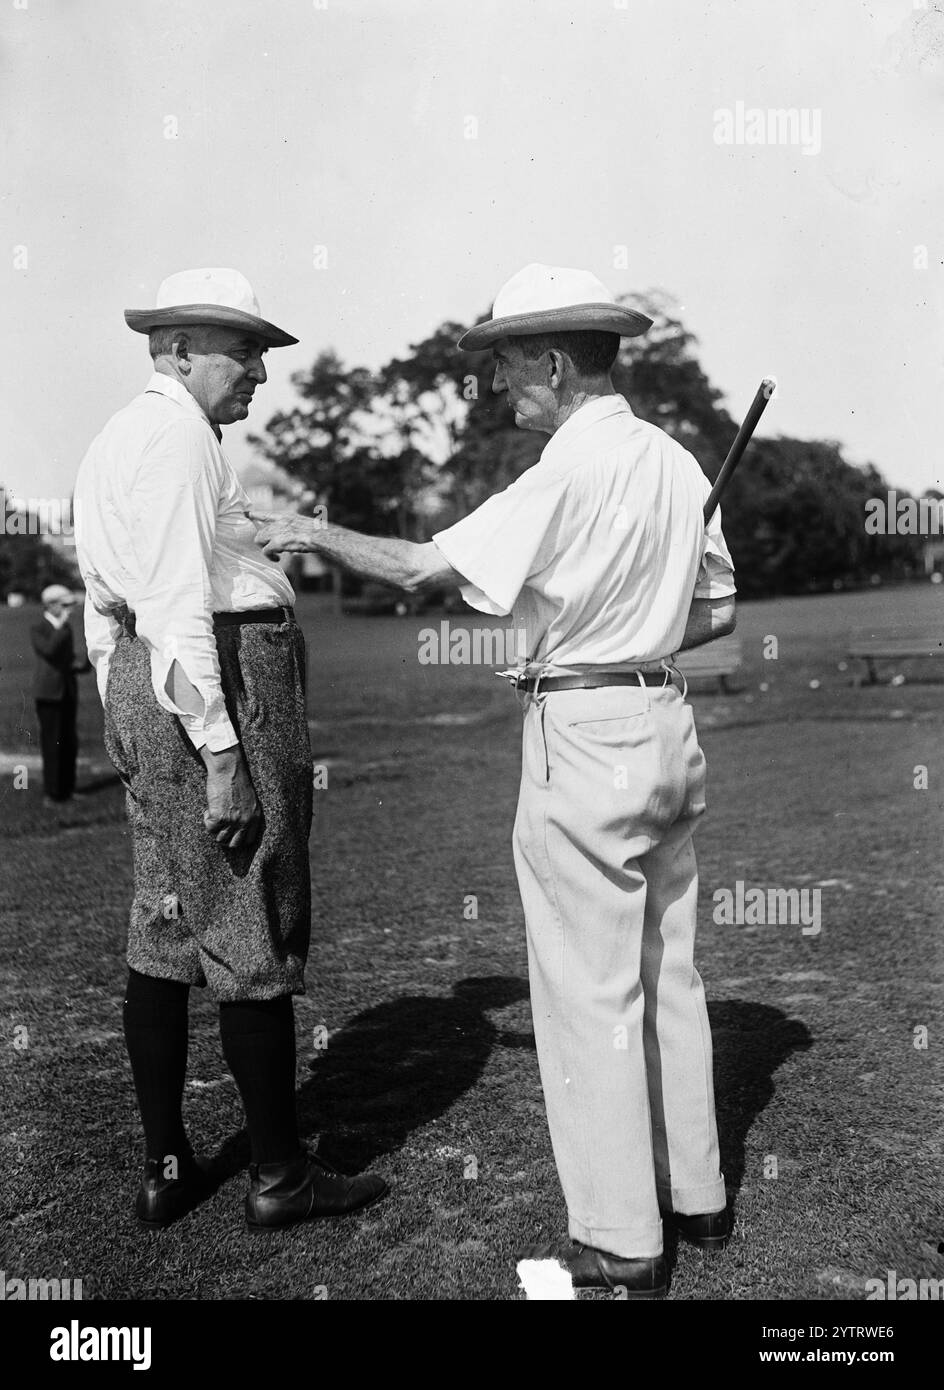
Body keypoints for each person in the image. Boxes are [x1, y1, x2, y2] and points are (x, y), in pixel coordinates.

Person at [250, 263, 736, 1296]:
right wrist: (627, 634)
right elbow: (720, 613)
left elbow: (427, 567)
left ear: (558, 364)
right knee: (668, 974)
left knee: (586, 989)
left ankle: (619, 1238)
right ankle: (693, 1196)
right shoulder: (677, 463)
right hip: (662, 725)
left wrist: (311, 531)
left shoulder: (569, 466)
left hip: (586, 736)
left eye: (509, 367)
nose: (500, 388)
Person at [73, 267, 387, 1231]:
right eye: (241, 349)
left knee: (165, 926)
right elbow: (175, 606)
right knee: (251, 903)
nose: (259, 371)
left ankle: (167, 1166)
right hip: (215, 684)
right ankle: (281, 1176)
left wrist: (128, 718)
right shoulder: (174, 436)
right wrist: (218, 756)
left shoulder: (125, 437)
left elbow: (108, 612)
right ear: (174, 350)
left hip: (145, 682)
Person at [30, 584, 91, 803]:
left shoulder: (63, 628)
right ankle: (52, 793)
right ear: (51, 605)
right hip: (48, 693)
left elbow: (65, 660)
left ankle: (67, 788)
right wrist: (60, 625)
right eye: (65, 605)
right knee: (52, 743)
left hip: (66, 690)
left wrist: (85, 663)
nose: (69, 610)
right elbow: (49, 650)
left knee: (68, 742)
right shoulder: (40, 627)